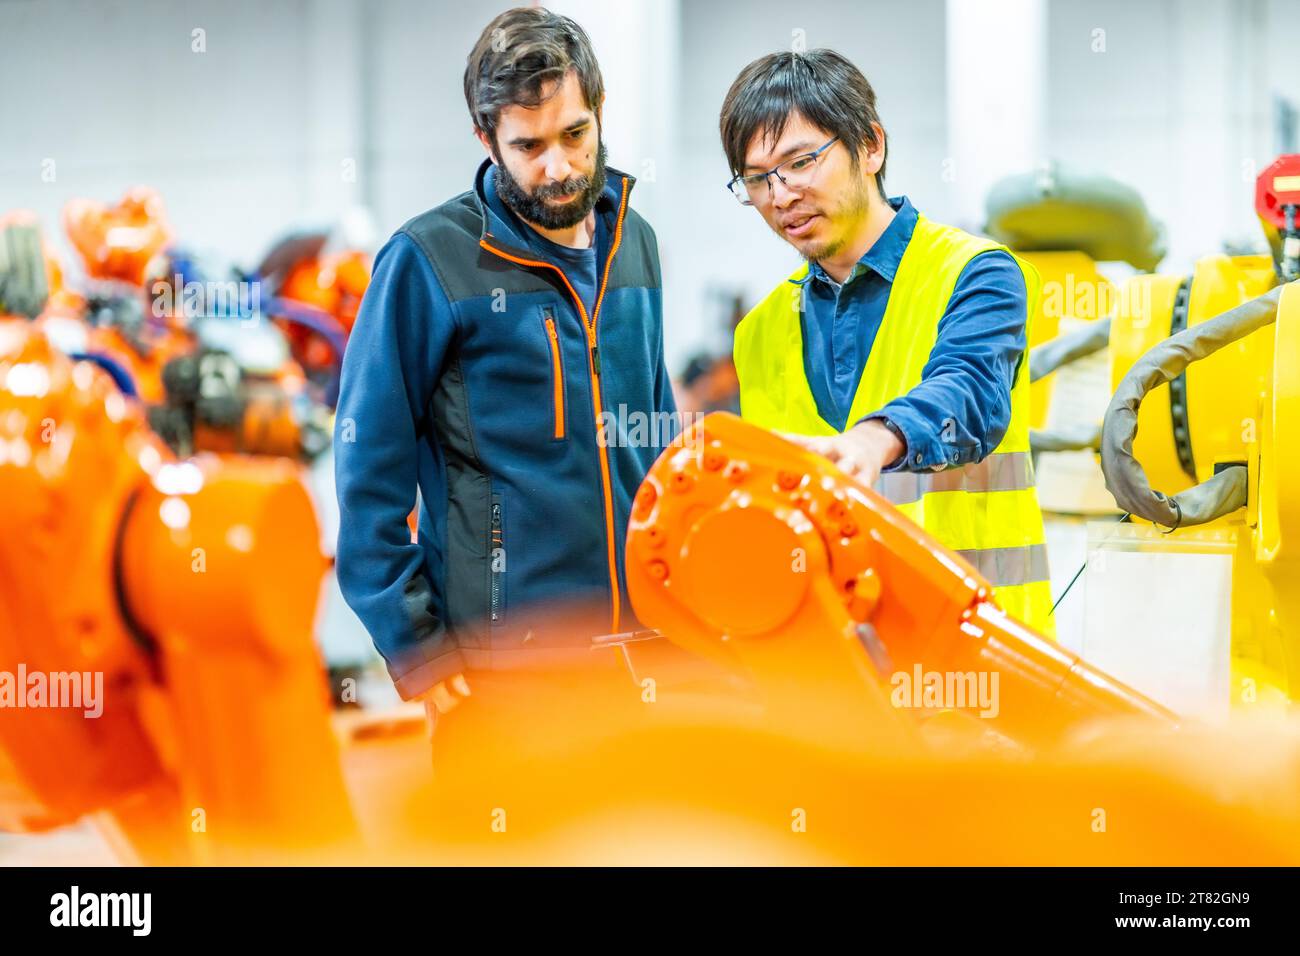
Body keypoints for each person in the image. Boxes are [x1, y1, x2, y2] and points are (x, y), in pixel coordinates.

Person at [334, 6, 677, 733]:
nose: (557, 166)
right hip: (502, 681)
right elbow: (369, 463)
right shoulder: (431, 261)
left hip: (644, 659)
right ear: (485, 138)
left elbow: (660, 438)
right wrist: (414, 643)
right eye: (528, 145)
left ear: (600, 109)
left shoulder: (635, 241)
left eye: (575, 135)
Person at [719, 49, 1051, 632]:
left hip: (983, 670)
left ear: (869, 146)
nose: (780, 195)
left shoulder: (977, 273)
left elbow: (970, 390)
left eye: (800, 162)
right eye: (757, 179)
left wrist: (878, 441)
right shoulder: (760, 332)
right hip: (833, 680)